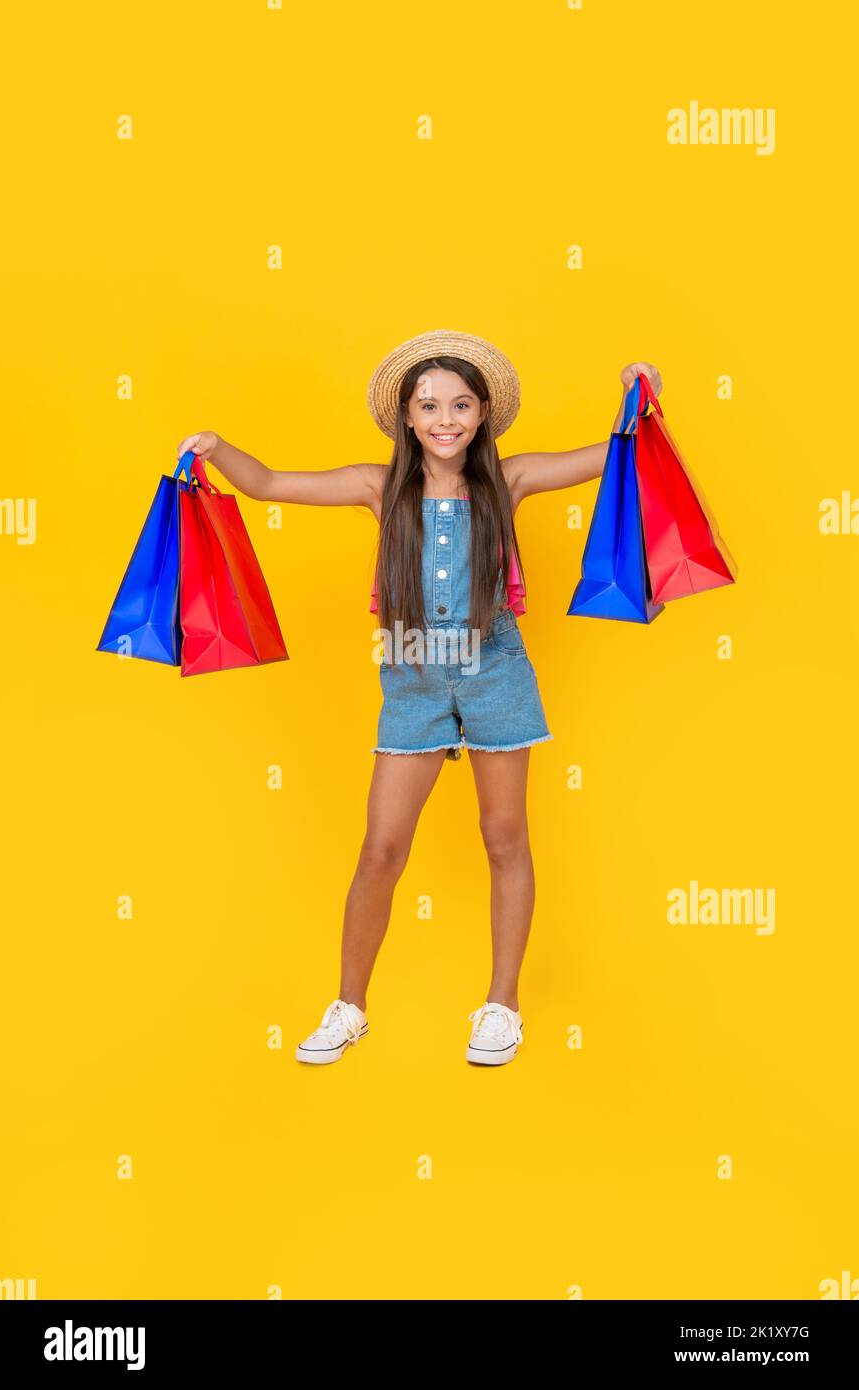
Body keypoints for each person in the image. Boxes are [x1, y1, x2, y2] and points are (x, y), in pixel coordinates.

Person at [177, 329, 662, 1067]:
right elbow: (270, 483)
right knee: (381, 848)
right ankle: (348, 1007)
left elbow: (620, 453)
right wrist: (215, 448)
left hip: (495, 669)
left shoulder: (513, 478)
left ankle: (501, 1006)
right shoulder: (381, 488)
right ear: (406, 416)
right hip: (412, 676)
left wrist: (639, 392)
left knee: (504, 839)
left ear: (483, 413)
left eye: (461, 405)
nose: (445, 419)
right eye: (429, 405)